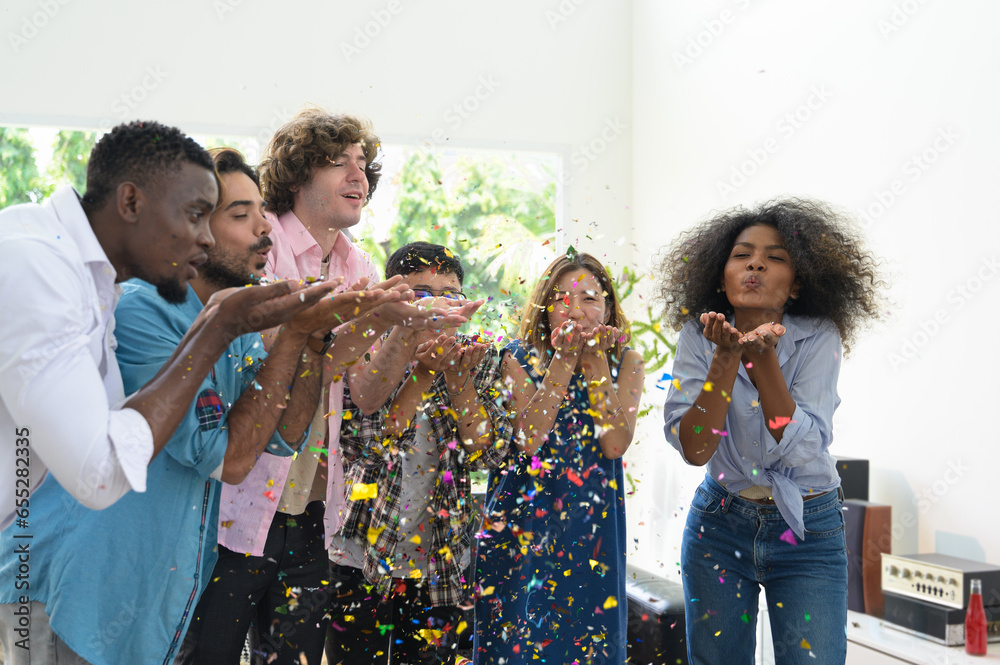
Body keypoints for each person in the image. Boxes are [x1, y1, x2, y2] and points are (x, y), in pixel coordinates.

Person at [0, 146, 384, 665]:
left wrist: (307, 339)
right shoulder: (146, 312)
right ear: (194, 228)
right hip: (68, 599)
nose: (263, 231)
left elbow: (281, 438)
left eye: (262, 215)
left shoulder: (234, 321)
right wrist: (278, 332)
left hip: (145, 609)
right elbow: (229, 459)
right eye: (241, 216)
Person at [179, 111, 475, 665]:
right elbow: (284, 360)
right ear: (295, 177)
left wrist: (404, 326)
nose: (357, 175)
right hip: (236, 503)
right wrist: (377, 316)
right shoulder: (258, 246)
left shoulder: (357, 264)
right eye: (338, 162)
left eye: (363, 163)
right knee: (209, 656)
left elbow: (363, 391)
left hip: (314, 505)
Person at [0, 120, 327, 533]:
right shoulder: (38, 268)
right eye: (195, 215)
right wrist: (215, 330)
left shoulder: (92, 279)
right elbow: (99, 474)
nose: (205, 238)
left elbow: (275, 438)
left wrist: (305, 337)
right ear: (132, 203)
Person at [658, 198, 883, 665]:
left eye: (775, 257)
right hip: (719, 524)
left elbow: (803, 448)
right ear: (721, 277)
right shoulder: (697, 337)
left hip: (808, 527)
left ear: (797, 284)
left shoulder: (820, 335)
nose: (756, 262)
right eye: (742, 255)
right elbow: (696, 449)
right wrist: (726, 357)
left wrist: (762, 360)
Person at [327, 241, 510, 665]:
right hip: (361, 549)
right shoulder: (378, 353)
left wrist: (459, 379)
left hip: (441, 558)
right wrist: (424, 371)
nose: (439, 305)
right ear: (399, 301)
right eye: (422, 294)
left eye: (450, 293)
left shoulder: (479, 358)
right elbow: (368, 448)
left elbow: (487, 454)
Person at [474, 251, 645, 665]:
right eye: (562, 299)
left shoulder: (627, 362)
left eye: (589, 298)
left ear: (607, 309)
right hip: (522, 520)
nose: (576, 310)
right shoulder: (516, 356)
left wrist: (593, 360)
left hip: (592, 526)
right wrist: (565, 359)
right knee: (516, 643)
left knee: (587, 644)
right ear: (544, 308)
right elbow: (529, 438)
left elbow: (615, 445)